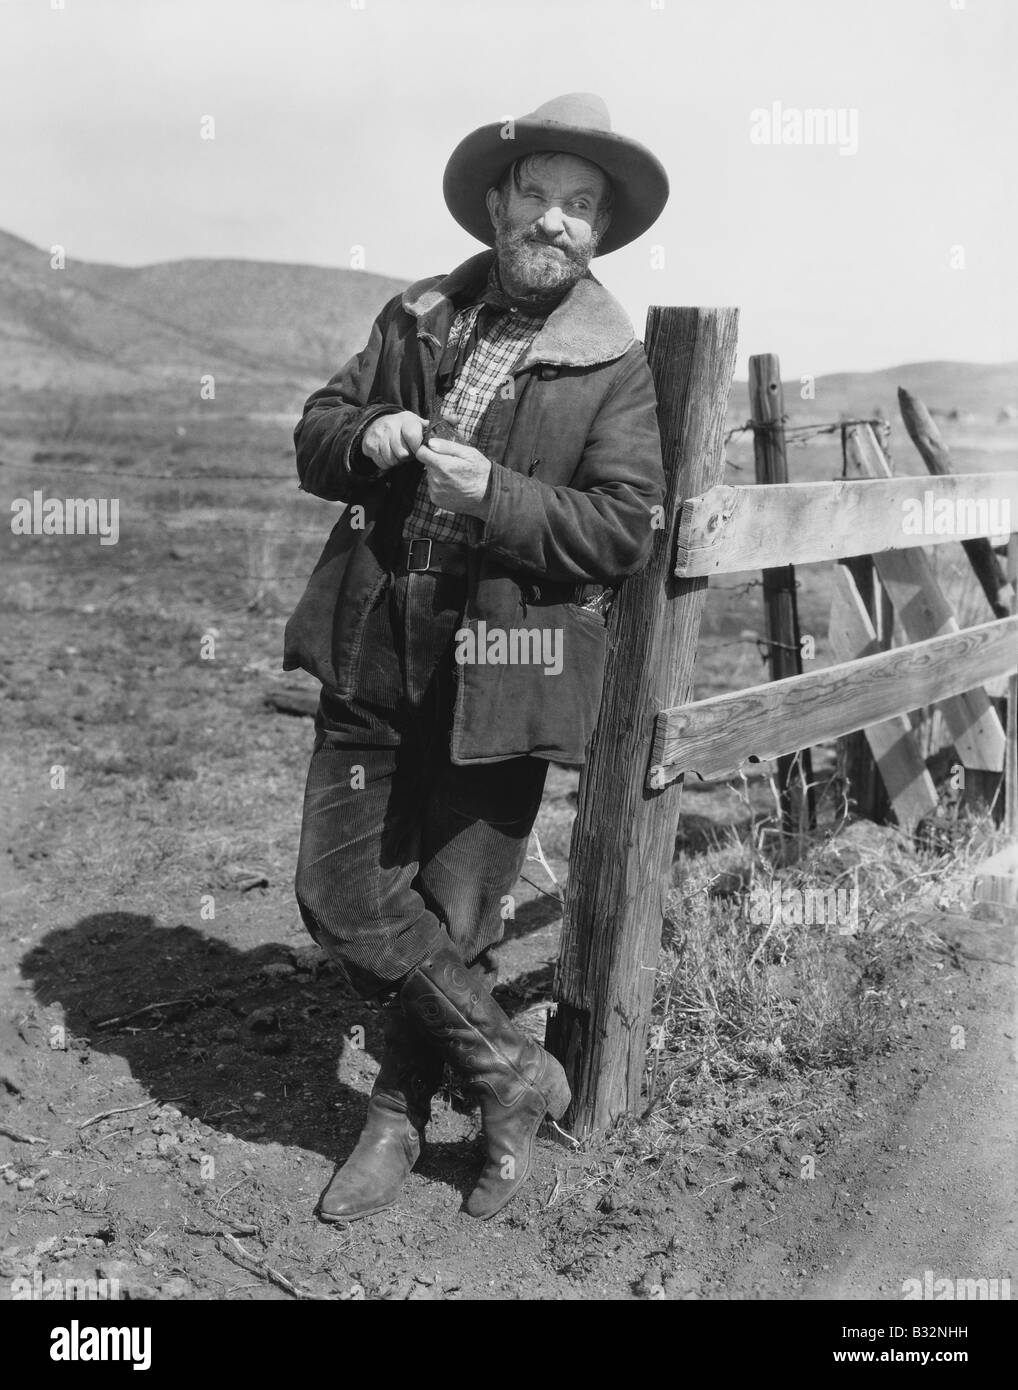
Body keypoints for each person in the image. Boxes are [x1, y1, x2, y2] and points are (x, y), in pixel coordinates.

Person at [284, 92, 669, 1221]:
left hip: (508, 663)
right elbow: (316, 431)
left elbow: (620, 529)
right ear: (499, 203)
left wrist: (491, 494)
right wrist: (368, 435)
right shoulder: (414, 317)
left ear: (600, 232)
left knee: (456, 914)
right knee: (337, 888)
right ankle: (510, 1069)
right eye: (539, 195)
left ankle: (399, 1121)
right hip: (373, 642)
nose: (555, 221)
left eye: (581, 207)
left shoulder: (615, 365)